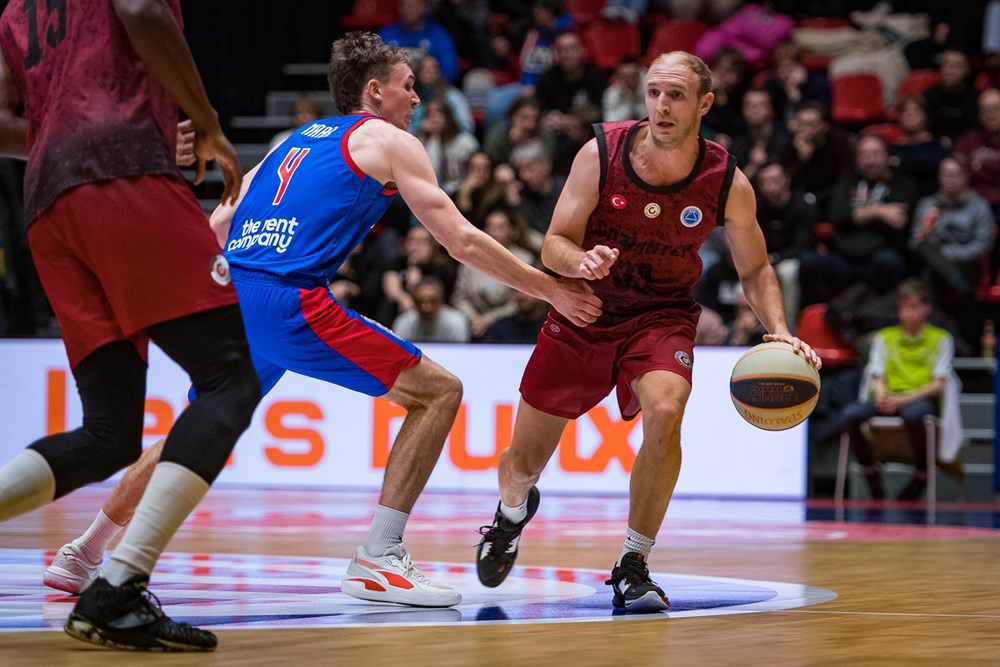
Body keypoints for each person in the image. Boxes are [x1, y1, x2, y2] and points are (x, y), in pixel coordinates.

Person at [40, 30, 602, 615]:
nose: (418, 100)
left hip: (233, 295)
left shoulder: (291, 142)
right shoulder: (388, 139)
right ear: (375, 90)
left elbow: (220, 220)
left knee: (196, 428)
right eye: (409, 88)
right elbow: (458, 240)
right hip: (288, 298)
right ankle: (380, 558)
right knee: (439, 393)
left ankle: (82, 553)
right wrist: (550, 290)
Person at [475, 51, 821, 611]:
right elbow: (552, 243)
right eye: (655, 93)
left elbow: (755, 269)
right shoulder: (600, 153)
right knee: (521, 465)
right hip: (584, 311)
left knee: (666, 409)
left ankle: (633, 563)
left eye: (677, 95)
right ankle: (511, 513)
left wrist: (779, 329)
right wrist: (578, 262)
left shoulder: (726, 179)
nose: (662, 106)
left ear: (704, 103)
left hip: (661, 315)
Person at [0, 0, 261, 652]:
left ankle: (111, 590)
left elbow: (9, 119)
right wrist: (206, 123)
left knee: (110, 433)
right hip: (121, 175)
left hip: (47, 201)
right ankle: (116, 589)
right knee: (229, 378)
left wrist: (101, 128)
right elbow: (141, 8)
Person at [838, 278, 954, 501]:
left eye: (913, 307)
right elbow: (876, 374)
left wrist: (903, 399)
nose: (907, 313)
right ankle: (871, 473)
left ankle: (921, 474)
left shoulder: (941, 339)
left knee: (914, 415)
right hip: (888, 398)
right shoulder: (885, 337)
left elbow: (939, 384)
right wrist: (881, 394)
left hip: (917, 398)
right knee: (850, 415)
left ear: (927, 307)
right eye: (903, 307)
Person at [392, 275, 471, 342]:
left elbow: (460, 354)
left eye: (432, 301)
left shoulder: (456, 322)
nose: (426, 306)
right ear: (414, 301)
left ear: (441, 300)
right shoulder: (403, 323)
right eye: (420, 301)